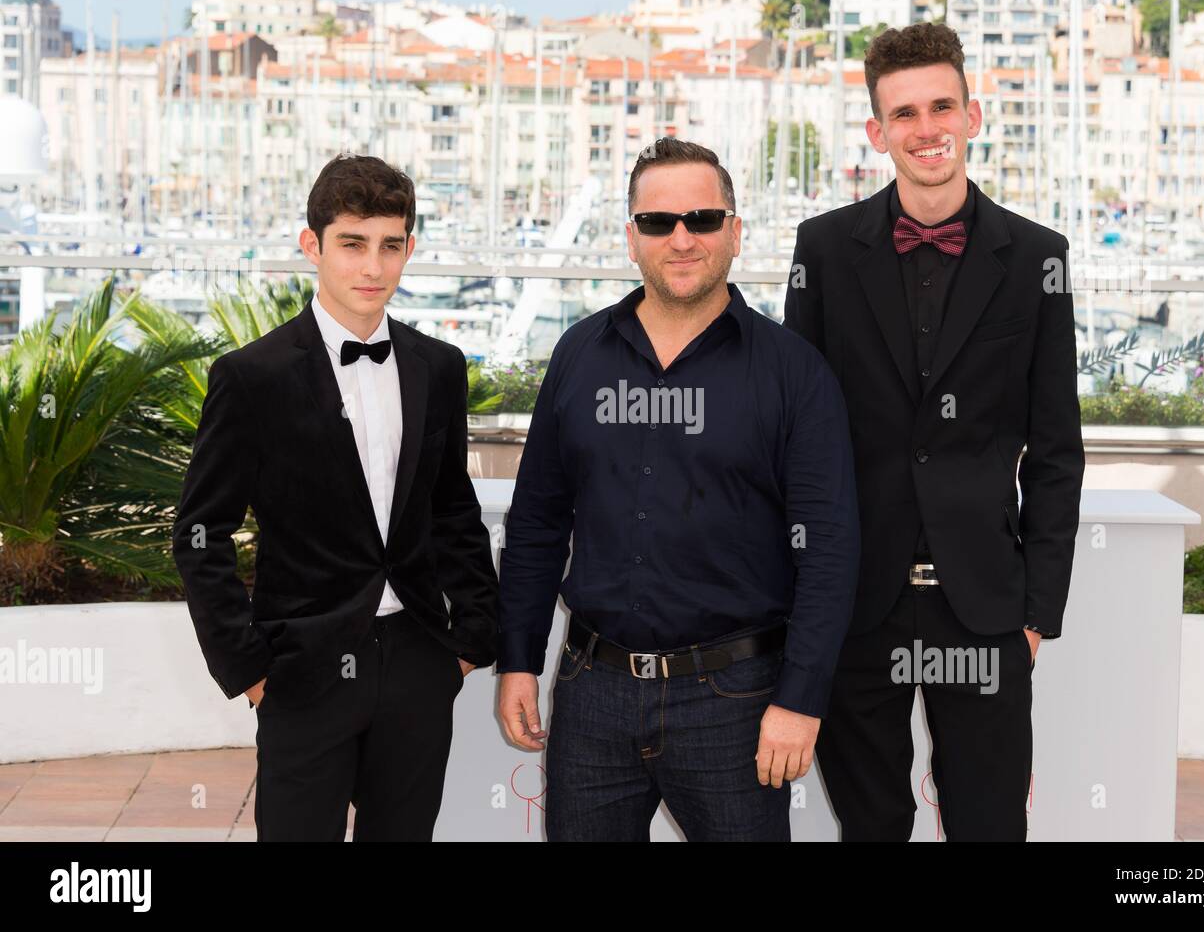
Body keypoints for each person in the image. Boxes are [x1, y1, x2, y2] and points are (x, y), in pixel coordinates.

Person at [496, 137, 859, 842]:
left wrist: (802, 698)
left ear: (735, 232)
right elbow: (538, 521)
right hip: (591, 694)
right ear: (632, 238)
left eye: (703, 218)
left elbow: (829, 550)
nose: (682, 238)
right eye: (659, 222)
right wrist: (518, 658)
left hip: (737, 703)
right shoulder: (578, 355)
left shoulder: (794, 373)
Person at [784, 23, 1084, 841]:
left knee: (990, 825)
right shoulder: (823, 250)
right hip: (856, 604)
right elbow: (797, 439)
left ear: (972, 115)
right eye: (905, 113)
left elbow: (1057, 450)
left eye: (942, 106)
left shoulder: (1039, 256)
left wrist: (1036, 611)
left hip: (986, 607)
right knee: (872, 825)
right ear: (877, 131)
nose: (927, 128)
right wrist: (805, 590)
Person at [173, 153, 499, 841]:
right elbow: (200, 533)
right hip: (302, 669)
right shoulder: (251, 377)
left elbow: (452, 509)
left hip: (418, 661)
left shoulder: (440, 367)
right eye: (353, 243)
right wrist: (250, 669)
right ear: (312, 245)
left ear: (409, 248)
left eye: (390, 245)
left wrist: (469, 638)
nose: (372, 266)